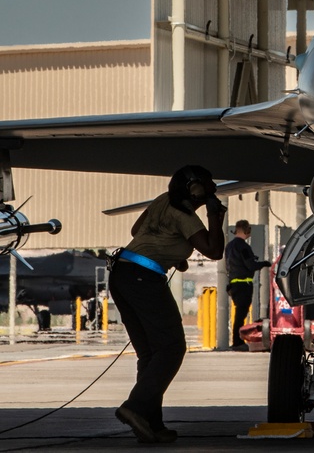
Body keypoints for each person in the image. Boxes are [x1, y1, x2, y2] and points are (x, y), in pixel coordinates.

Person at [109, 165, 226, 444]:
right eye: (209, 186)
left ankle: (151, 424)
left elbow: (137, 229)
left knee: (150, 354)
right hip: (143, 279)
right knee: (172, 348)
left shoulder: (163, 201)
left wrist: (172, 251)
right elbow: (214, 251)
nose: (213, 190)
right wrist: (215, 219)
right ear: (195, 189)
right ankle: (135, 407)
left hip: (122, 274)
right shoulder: (186, 216)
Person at [225, 219, 271, 351]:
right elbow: (250, 265)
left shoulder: (229, 246)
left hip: (233, 284)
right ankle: (237, 341)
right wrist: (264, 264)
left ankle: (237, 340)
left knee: (239, 313)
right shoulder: (243, 247)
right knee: (241, 313)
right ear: (247, 230)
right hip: (243, 284)